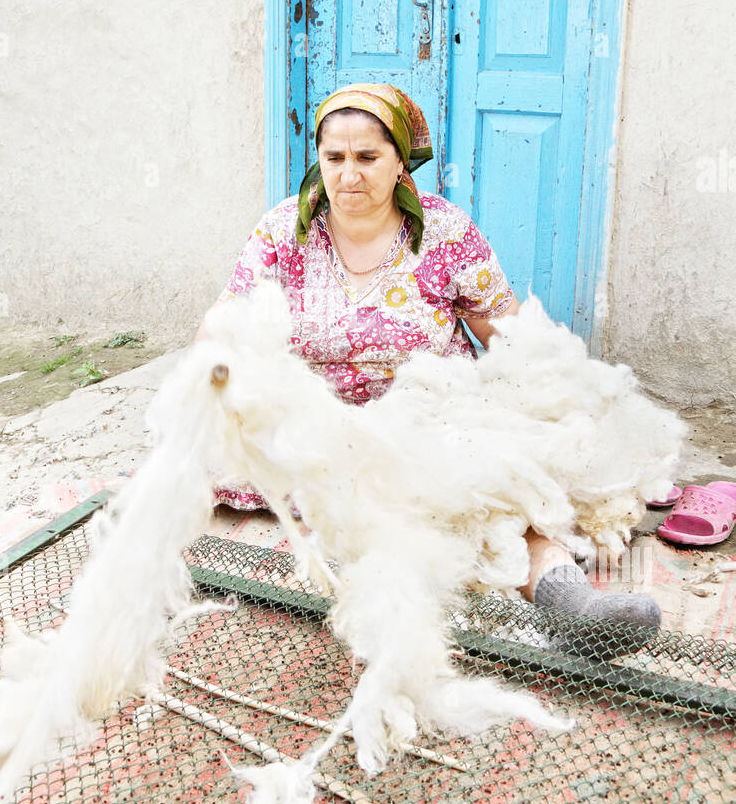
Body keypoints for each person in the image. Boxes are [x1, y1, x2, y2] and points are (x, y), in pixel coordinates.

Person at [198, 83, 661, 646]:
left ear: (400, 161)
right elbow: (223, 324)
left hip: (437, 416)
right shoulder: (283, 232)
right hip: (320, 431)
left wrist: (548, 410)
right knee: (395, 511)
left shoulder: (443, 234)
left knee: (499, 485)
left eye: (367, 158)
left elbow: (510, 336)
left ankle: (571, 604)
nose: (348, 176)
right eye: (334, 158)